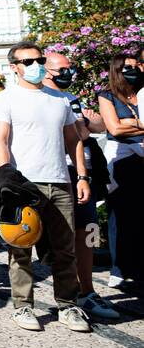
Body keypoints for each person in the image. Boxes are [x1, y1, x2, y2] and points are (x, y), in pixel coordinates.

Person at [0, 42, 91, 333]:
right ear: (14, 67)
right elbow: (0, 141)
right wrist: (6, 179)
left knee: (65, 248)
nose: (36, 65)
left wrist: (81, 177)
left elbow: (73, 140)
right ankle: (23, 306)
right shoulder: (5, 98)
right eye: (28, 60)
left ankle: (68, 305)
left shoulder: (58, 99)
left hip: (60, 181)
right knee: (20, 248)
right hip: (23, 183)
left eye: (40, 59)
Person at [43, 52, 119, 321]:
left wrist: (86, 123)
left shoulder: (72, 98)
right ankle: (68, 294)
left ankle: (87, 291)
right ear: (47, 70)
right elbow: (76, 134)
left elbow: (99, 124)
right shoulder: (43, 99)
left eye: (70, 68)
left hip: (85, 174)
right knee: (62, 238)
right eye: (62, 69)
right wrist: (84, 126)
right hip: (59, 174)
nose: (68, 73)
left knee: (88, 233)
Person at [96, 51, 143, 286]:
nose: (134, 70)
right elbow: (114, 129)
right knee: (120, 216)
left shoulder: (142, 94)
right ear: (117, 70)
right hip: (121, 161)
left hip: (141, 159)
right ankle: (118, 268)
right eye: (128, 67)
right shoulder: (107, 96)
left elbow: (123, 126)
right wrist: (139, 124)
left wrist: (130, 124)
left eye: (137, 66)